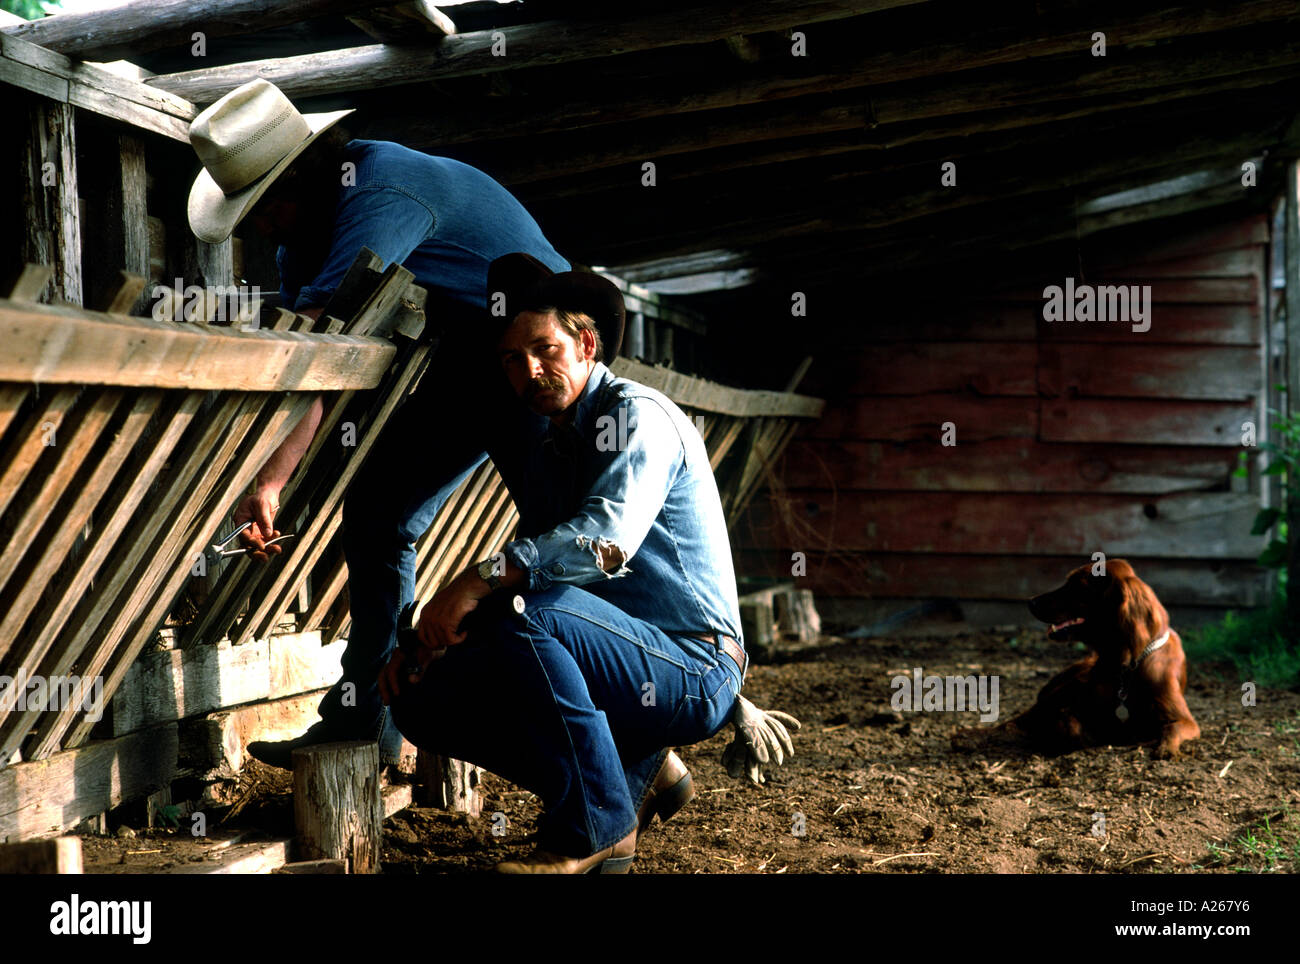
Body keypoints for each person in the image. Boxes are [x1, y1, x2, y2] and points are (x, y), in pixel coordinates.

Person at [184, 79, 566, 767]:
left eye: (265, 210)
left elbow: (325, 348)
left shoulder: (379, 192)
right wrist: (270, 483)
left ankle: (640, 741)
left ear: (300, 177)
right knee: (379, 509)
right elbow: (317, 368)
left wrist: (272, 475)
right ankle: (368, 718)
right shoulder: (300, 234)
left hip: (539, 359)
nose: (262, 230)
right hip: (470, 359)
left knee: (560, 532)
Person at [379, 253, 752, 873]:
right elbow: (534, 579)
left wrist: (475, 579)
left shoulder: (639, 416)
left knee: (530, 614)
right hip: (618, 659)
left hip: (695, 663)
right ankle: (636, 769)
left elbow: (604, 541)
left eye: (544, 349)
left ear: (584, 343)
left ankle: (594, 828)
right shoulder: (555, 448)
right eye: (510, 360)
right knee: (422, 698)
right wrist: (424, 642)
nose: (529, 370)